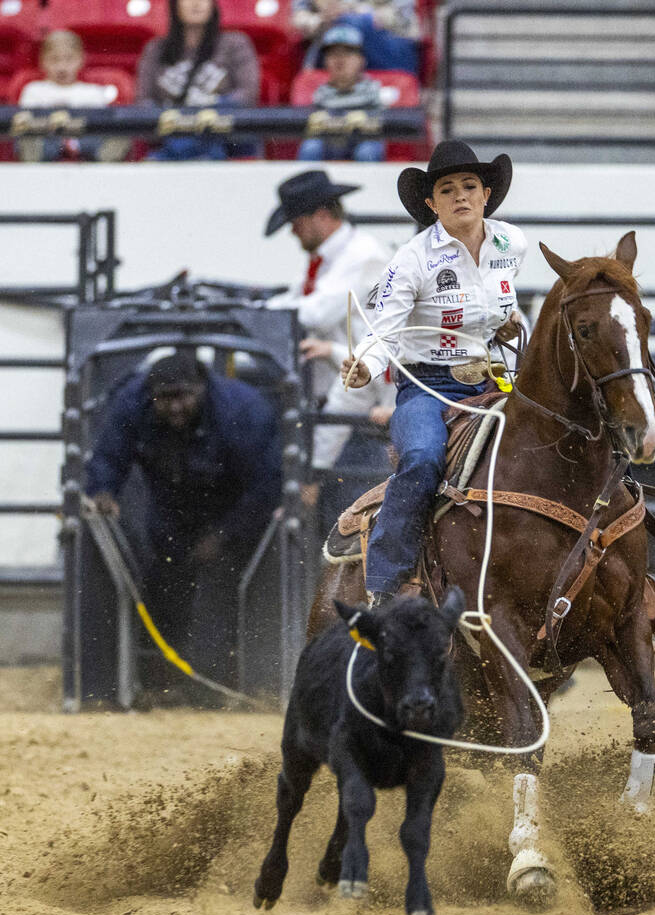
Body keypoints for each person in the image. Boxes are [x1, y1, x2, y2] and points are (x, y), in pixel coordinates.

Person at [339, 140, 528, 607]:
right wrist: (366, 366)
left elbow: (501, 305)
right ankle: (384, 584)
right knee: (423, 458)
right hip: (427, 386)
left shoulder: (511, 243)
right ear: (432, 204)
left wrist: (508, 324)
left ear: (486, 194)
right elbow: (384, 329)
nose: (460, 195)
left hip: (493, 380)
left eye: (469, 186)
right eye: (447, 190)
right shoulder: (411, 259)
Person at [85, 353, 281, 694]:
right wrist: (103, 491)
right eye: (165, 398)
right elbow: (108, 455)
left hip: (232, 513)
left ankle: (213, 686)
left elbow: (266, 486)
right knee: (164, 587)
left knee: (219, 593)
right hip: (170, 512)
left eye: (183, 396)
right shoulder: (132, 403)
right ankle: (161, 683)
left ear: (201, 387)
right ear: (150, 395)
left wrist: (224, 536)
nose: (175, 407)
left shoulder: (241, 410)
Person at [263, 169, 394, 531]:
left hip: (363, 417)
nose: (293, 232)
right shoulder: (335, 259)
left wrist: (261, 312)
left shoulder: (363, 256)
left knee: (355, 517)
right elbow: (302, 301)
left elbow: (316, 312)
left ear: (321, 216)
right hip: (345, 408)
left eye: (297, 223)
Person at [136, 0, 259, 161]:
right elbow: (143, 102)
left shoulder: (235, 44)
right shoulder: (156, 50)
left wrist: (209, 108)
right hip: (171, 135)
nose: (196, 3)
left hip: (223, 139)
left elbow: (247, 95)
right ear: (174, 5)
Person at [18, 30, 120, 163]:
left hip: (87, 146)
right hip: (45, 146)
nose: (62, 67)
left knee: (119, 132)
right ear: (42, 61)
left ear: (81, 60)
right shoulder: (33, 90)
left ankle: (103, 170)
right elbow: (25, 123)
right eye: (54, 59)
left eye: (69, 59)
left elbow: (98, 127)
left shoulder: (93, 92)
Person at [297, 23, 385, 163]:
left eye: (347, 53)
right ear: (325, 60)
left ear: (361, 59)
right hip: (327, 142)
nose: (340, 60)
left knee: (367, 151)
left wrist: (366, 120)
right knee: (311, 148)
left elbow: (384, 124)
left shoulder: (375, 91)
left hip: (363, 140)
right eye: (333, 54)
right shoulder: (317, 94)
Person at [293, 1, 420, 75]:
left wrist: (363, 14)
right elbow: (299, 18)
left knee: (356, 23)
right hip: (329, 32)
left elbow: (404, 18)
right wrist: (321, 20)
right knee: (340, 27)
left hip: (385, 39)